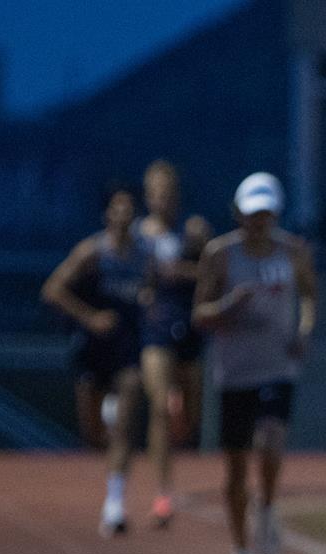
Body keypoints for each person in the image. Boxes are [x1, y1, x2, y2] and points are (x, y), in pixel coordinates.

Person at [193, 173, 318, 554]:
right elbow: (200, 313)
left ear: (276, 214)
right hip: (235, 372)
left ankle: (267, 507)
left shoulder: (293, 252)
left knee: (271, 439)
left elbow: (311, 296)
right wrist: (230, 305)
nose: (258, 222)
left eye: (265, 214)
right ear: (238, 214)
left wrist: (304, 330)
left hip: (277, 367)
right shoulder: (221, 255)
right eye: (251, 214)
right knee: (234, 469)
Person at [41, 185, 149, 537]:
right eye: (117, 209)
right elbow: (52, 289)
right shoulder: (92, 252)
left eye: (129, 209)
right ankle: (108, 428)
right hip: (91, 348)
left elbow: (158, 283)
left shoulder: (142, 255)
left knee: (127, 417)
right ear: (107, 214)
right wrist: (89, 318)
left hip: (126, 349)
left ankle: (115, 502)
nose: (123, 215)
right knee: (92, 433)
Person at [137, 160, 212, 526]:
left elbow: (216, 276)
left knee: (190, 420)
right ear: (147, 196)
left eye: (167, 195)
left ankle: (179, 416)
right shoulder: (139, 236)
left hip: (190, 327)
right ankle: (163, 491)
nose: (161, 201)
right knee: (159, 408)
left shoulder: (192, 232)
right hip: (156, 329)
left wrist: (191, 263)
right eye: (155, 194)